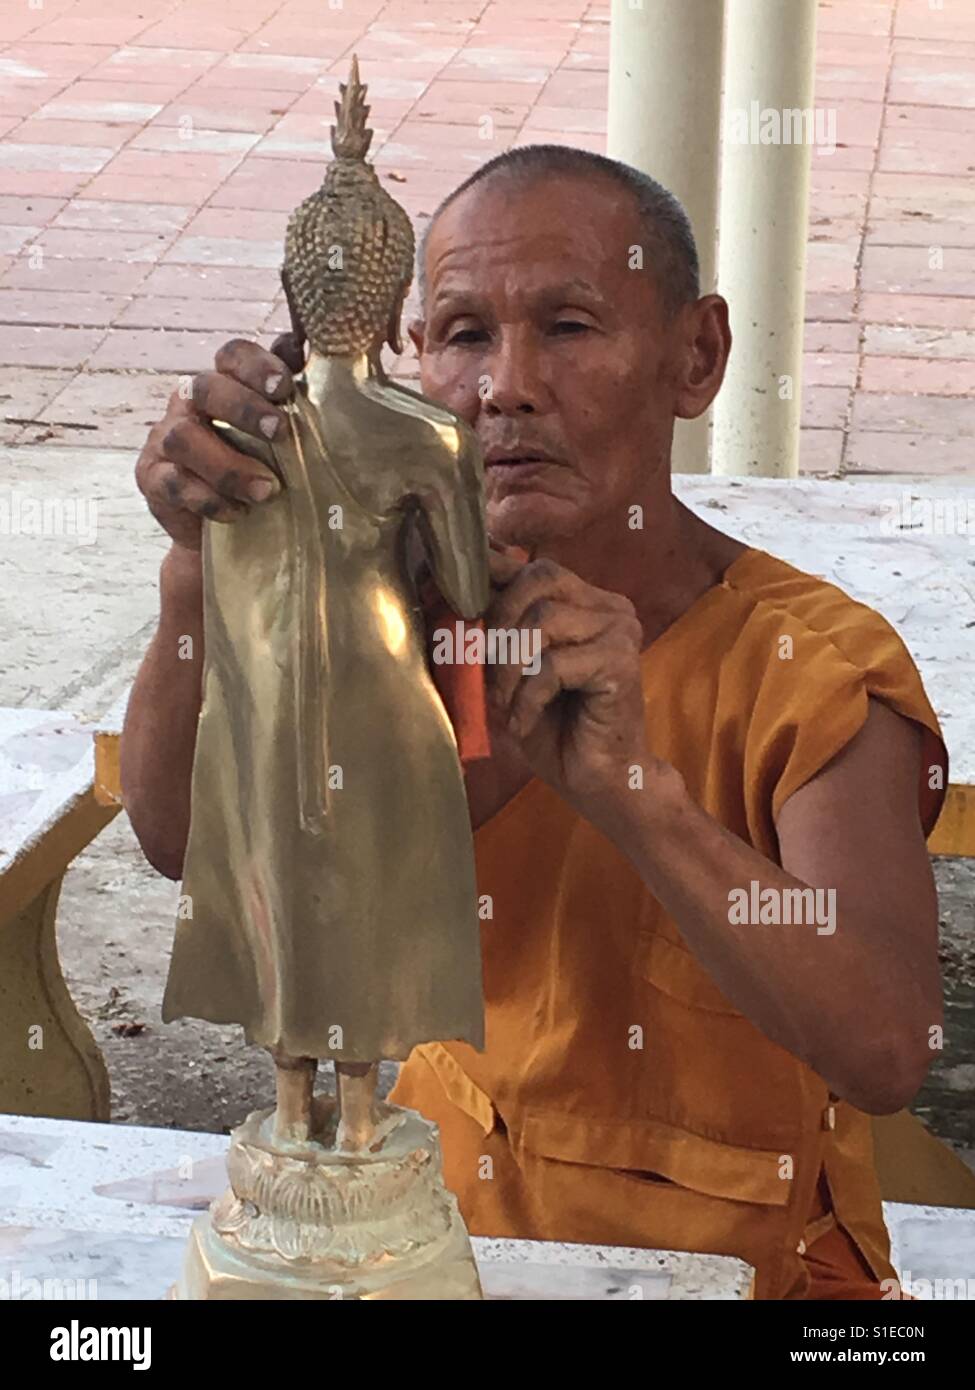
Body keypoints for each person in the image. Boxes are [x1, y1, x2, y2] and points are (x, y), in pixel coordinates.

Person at [122, 146, 945, 1300]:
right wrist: (201, 573)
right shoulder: (396, 623)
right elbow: (178, 843)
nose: (506, 385)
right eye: (462, 334)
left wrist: (634, 789)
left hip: (746, 1277)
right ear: (410, 362)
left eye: (566, 327)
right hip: (427, 1239)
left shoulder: (803, 664)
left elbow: (890, 1048)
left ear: (694, 357)